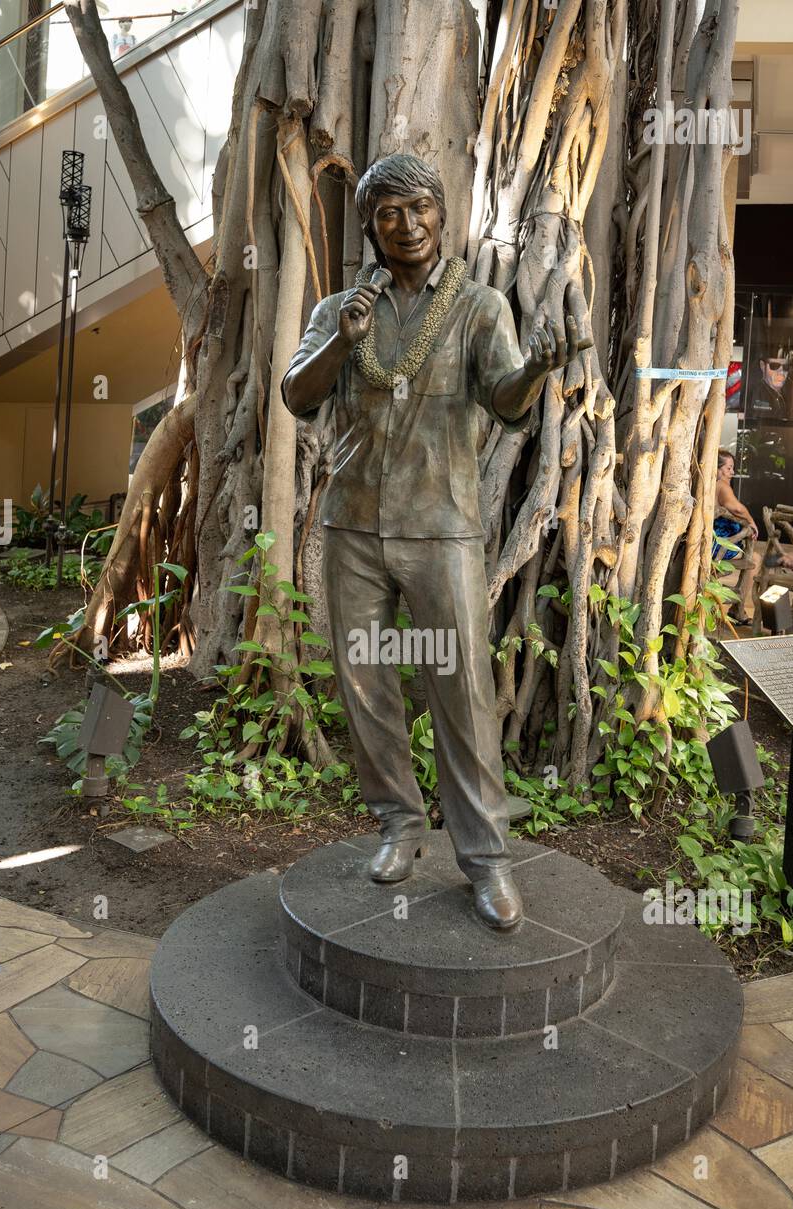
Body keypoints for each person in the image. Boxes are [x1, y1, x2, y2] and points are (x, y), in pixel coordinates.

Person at [283, 153, 590, 932]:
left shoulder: (481, 307)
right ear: (369, 225)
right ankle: (398, 824)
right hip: (351, 524)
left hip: (443, 527)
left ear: (441, 215)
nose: (407, 225)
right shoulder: (340, 309)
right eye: (389, 213)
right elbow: (295, 396)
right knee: (365, 685)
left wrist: (539, 371)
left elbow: (508, 402)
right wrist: (339, 342)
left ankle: (486, 860)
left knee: (462, 694)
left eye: (419, 208)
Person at [714, 450, 762, 622]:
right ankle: (738, 610)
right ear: (718, 469)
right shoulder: (722, 485)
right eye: (729, 468)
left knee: (754, 557)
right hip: (718, 548)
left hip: (716, 545)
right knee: (755, 559)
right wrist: (751, 522)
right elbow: (737, 509)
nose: (732, 472)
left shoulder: (710, 483)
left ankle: (736, 608)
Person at [750, 346, 791, 418]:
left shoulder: (787, 393)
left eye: (785, 367)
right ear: (762, 366)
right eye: (774, 366)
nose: (781, 372)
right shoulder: (757, 394)